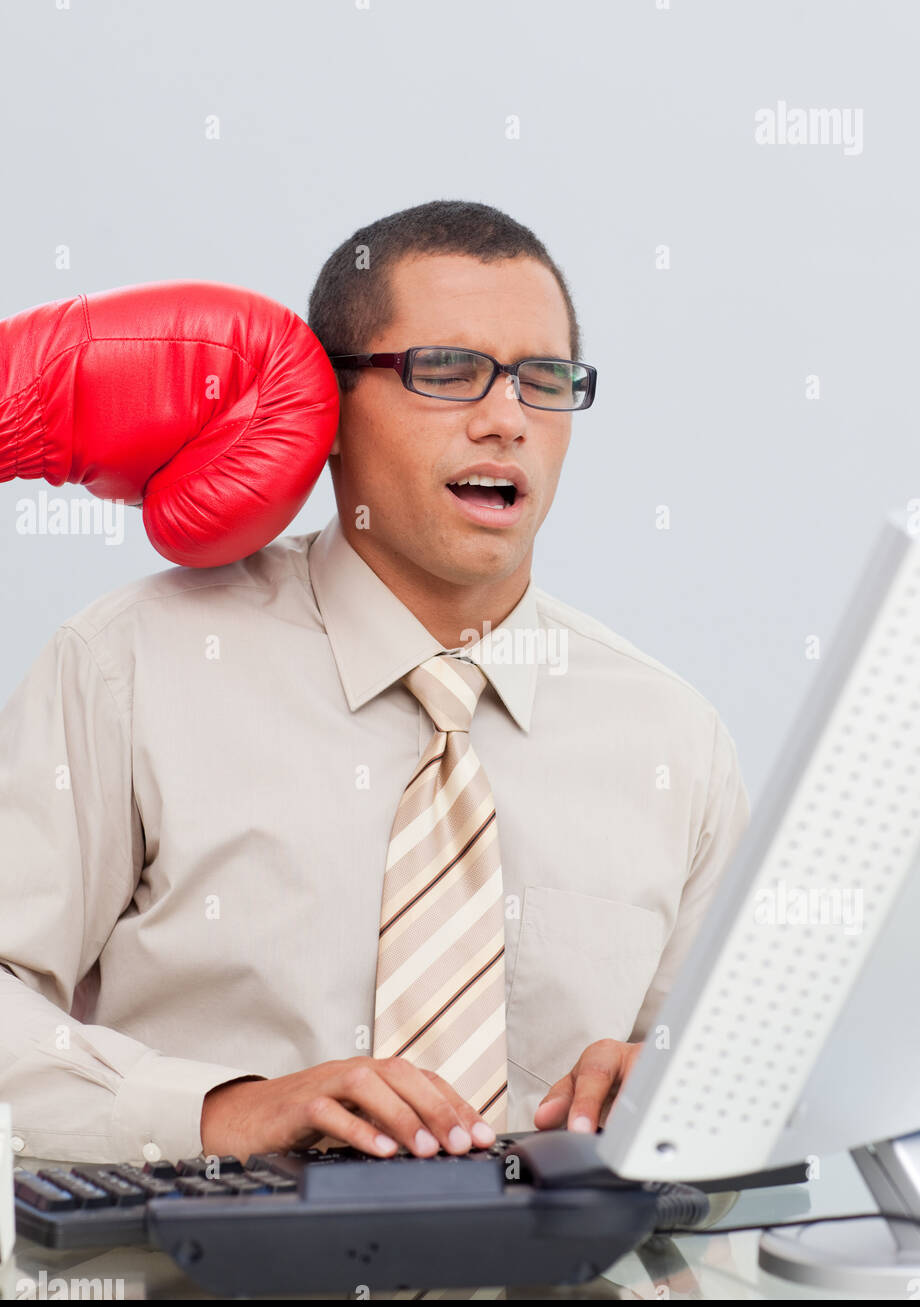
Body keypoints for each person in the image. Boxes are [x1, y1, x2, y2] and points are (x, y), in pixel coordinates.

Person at [0, 199, 749, 1166]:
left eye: (546, 380)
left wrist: (682, 1091)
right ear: (329, 405)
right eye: (447, 372)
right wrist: (217, 1114)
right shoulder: (129, 667)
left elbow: (726, 1100)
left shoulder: (671, 741)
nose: (507, 419)